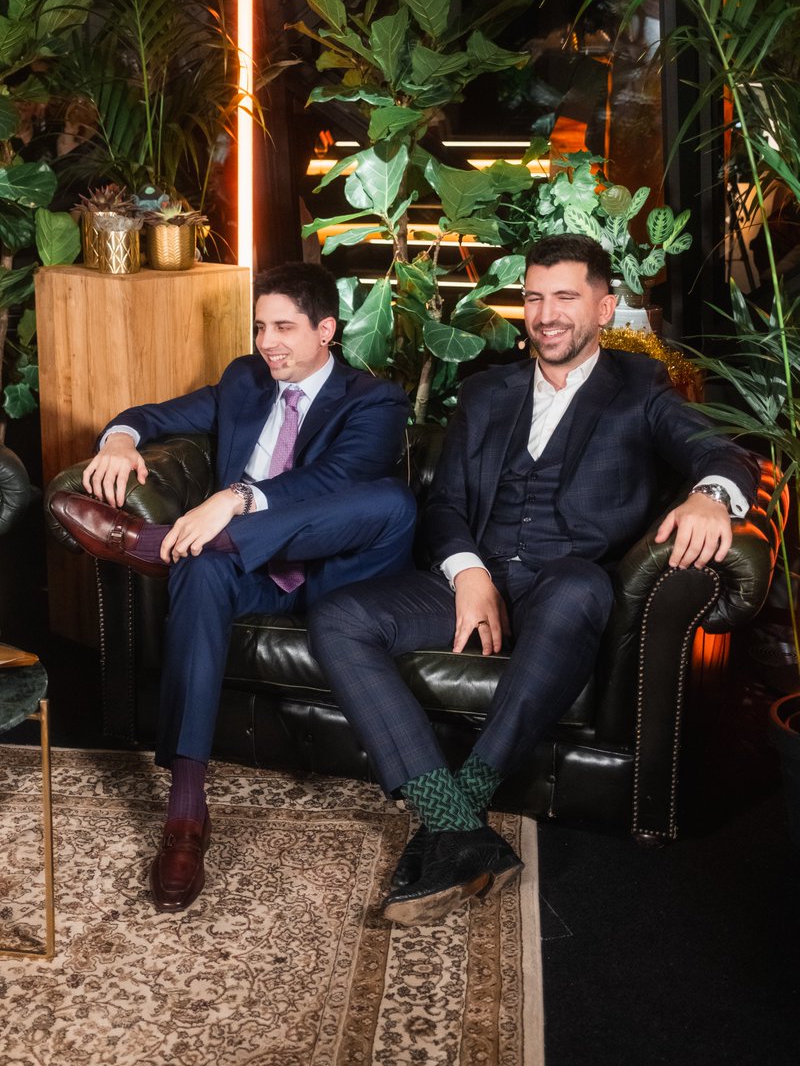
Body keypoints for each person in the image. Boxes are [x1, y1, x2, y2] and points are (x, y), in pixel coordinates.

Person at [307, 234, 761, 927]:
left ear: (603, 308)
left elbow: (723, 452)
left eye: (565, 297)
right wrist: (468, 573)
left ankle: (460, 807)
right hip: (477, 580)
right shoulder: (486, 391)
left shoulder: (639, 388)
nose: (546, 315)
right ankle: (458, 827)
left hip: (564, 588)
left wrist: (710, 495)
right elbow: (447, 505)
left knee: (579, 588)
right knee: (339, 617)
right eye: (534, 298)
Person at [50, 261, 416, 912]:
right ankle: (185, 813)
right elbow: (153, 415)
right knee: (200, 566)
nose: (267, 342)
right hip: (245, 571)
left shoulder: (374, 400)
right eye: (259, 327)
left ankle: (155, 546)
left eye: (284, 327)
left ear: (325, 330)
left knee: (387, 500)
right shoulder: (245, 380)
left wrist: (235, 497)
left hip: (329, 579)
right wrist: (120, 439)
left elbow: (332, 482)